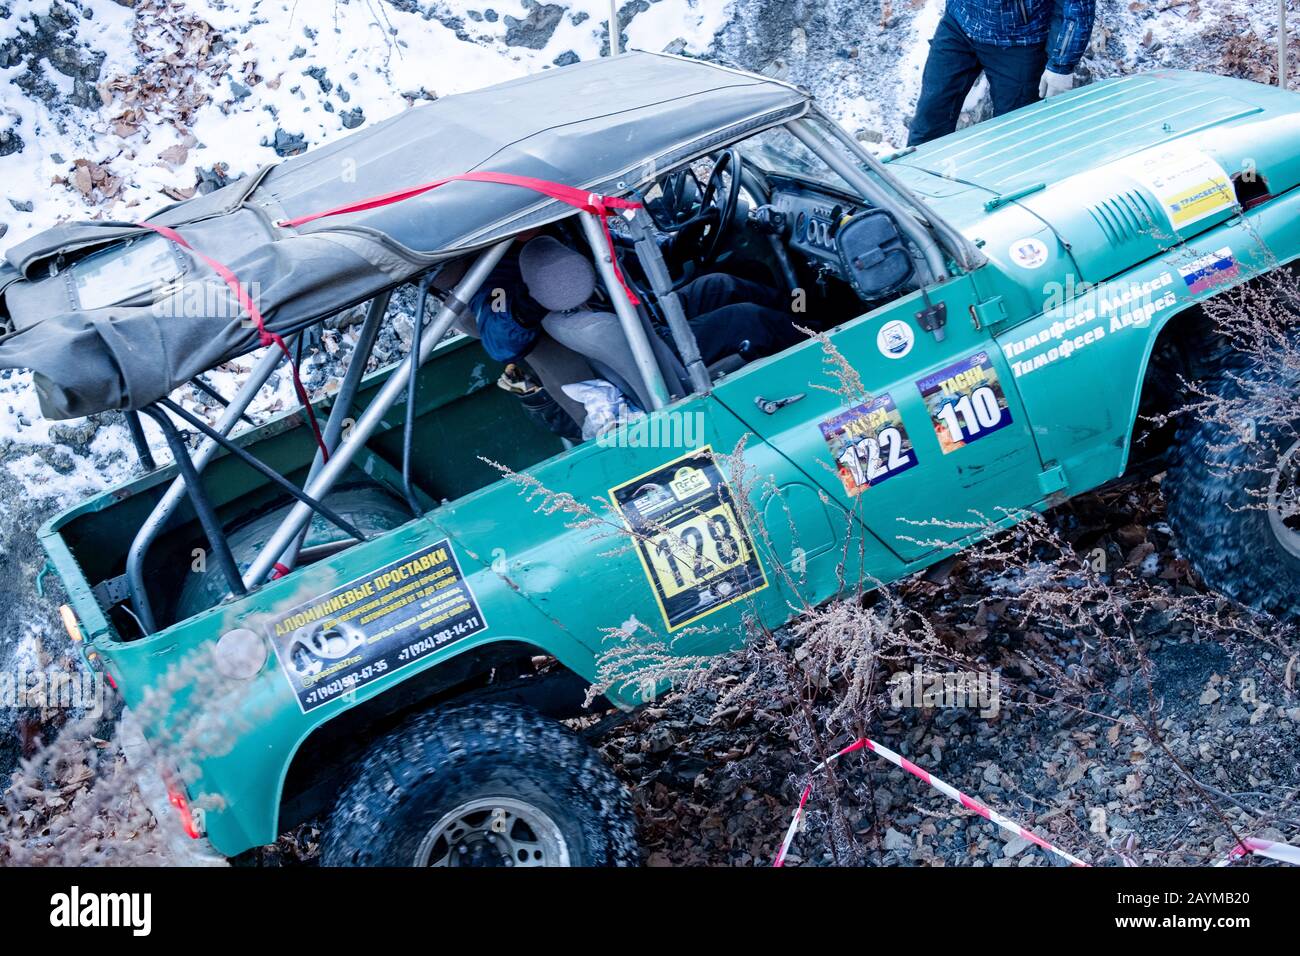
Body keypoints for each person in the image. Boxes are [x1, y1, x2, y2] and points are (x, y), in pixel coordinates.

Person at [907, 0, 1096, 147]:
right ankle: (907, 189)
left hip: (1020, 40)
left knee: (1014, 138)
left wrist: (1062, 62)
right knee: (928, 123)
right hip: (959, 22)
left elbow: (1078, 3)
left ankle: (1005, 193)